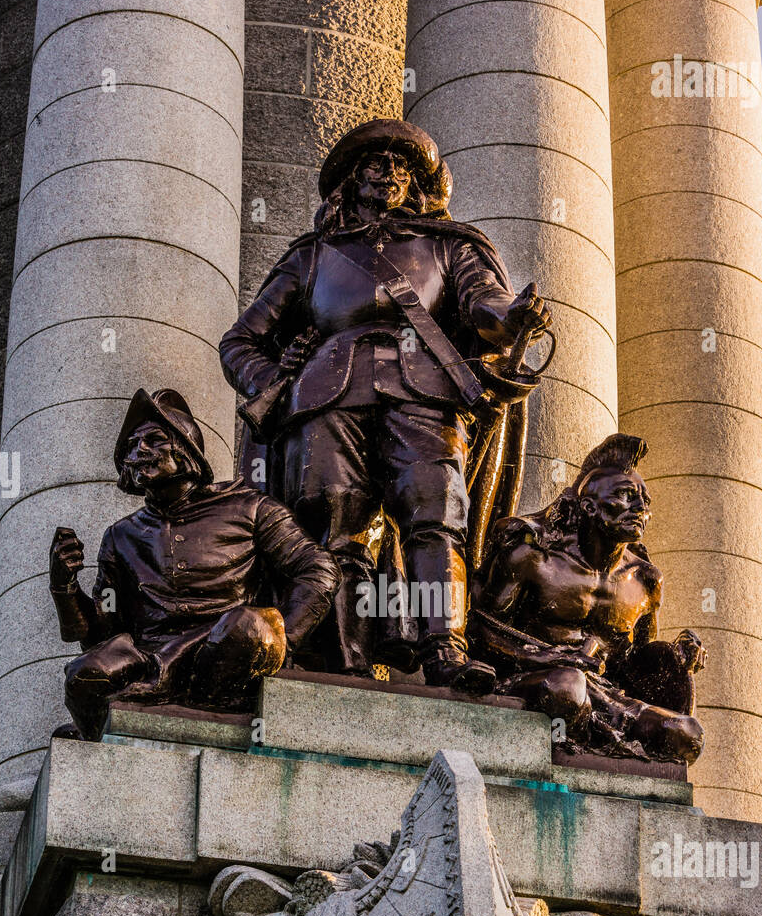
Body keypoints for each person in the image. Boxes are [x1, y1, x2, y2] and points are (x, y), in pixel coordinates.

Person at [219, 118, 551, 691]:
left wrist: (513, 316)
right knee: (333, 522)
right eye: (376, 164)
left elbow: (484, 305)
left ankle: (445, 650)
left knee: (435, 516)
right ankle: (340, 658)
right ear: (351, 179)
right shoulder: (311, 257)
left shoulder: (449, 246)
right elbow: (240, 342)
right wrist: (278, 386)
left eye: (403, 168)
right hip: (325, 398)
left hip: (424, 391)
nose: (390, 175)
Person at [49, 387, 340, 740]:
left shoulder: (251, 508)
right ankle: (103, 740)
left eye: (154, 440)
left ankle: (193, 709)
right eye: (130, 446)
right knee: (84, 675)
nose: (139, 451)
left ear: (186, 450)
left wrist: (282, 640)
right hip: (147, 656)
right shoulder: (121, 536)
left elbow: (318, 570)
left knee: (250, 626)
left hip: (225, 650)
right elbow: (101, 633)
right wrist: (64, 586)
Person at [470, 434, 706, 764]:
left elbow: (635, 661)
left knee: (687, 735)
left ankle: (597, 750)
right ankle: (578, 754)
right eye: (626, 496)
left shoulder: (646, 581)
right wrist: (545, 657)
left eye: (644, 501)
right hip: (537, 680)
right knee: (567, 686)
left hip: (607, 696)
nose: (640, 509)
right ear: (589, 506)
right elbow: (480, 629)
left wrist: (676, 657)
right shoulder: (535, 558)